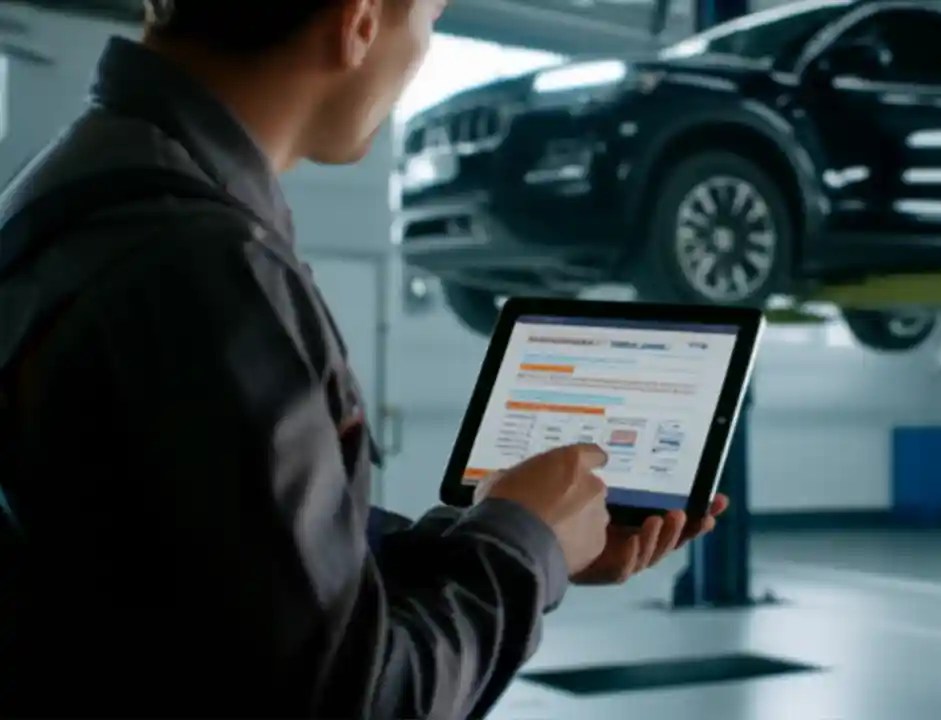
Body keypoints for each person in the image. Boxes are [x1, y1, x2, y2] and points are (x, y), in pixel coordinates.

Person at [0, 0, 728, 717]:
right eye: (433, 20)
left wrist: (511, 540)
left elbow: (212, 562)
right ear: (359, 24)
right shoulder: (204, 268)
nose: (424, 52)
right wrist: (522, 542)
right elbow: (358, 699)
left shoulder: (82, 182)